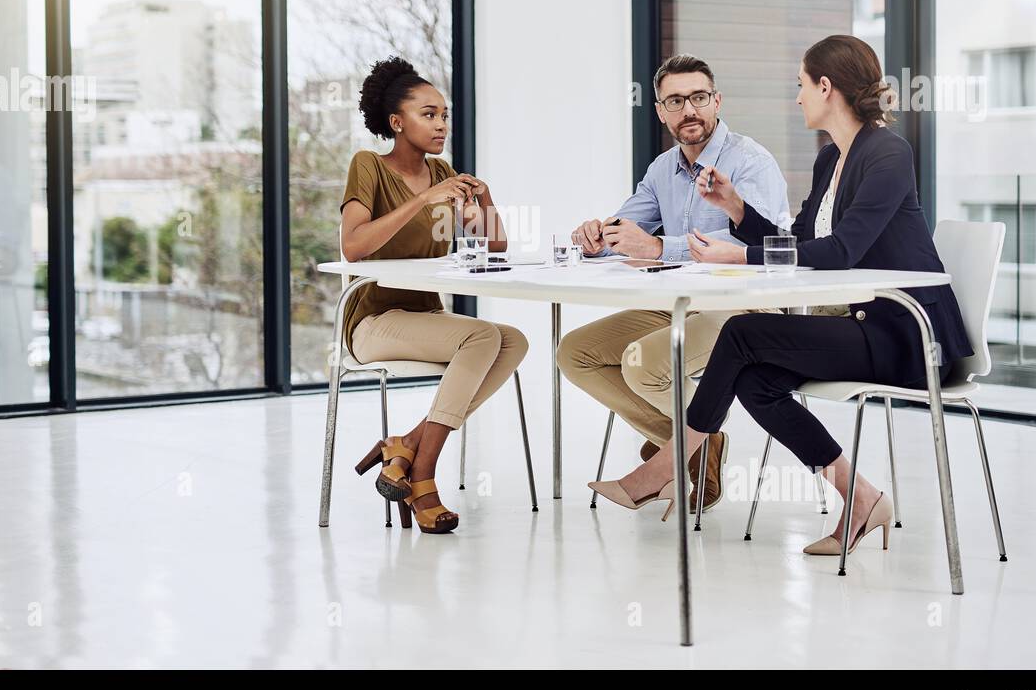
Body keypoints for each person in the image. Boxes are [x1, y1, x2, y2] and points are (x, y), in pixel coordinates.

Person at [591, 35, 973, 556]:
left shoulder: (888, 153)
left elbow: (840, 251)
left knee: (743, 331)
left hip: (907, 334)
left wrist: (738, 256)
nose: (797, 99)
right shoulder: (829, 160)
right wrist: (736, 210)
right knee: (755, 379)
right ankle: (861, 496)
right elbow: (798, 242)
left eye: (800, 86)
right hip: (863, 321)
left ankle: (664, 466)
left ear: (825, 86)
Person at [560, 54, 790, 514]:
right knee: (575, 353)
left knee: (644, 364)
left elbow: (759, 240)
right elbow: (629, 229)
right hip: (679, 303)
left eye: (699, 98)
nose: (690, 110)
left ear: (717, 100)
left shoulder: (750, 161)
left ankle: (675, 450)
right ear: (661, 111)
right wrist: (595, 239)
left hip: (745, 309)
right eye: (676, 101)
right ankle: (692, 444)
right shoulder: (663, 168)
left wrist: (659, 248)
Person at [342, 56, 527, 535]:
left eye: (444, 114)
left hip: (425, 320)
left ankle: (404, 445)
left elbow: (495, 244)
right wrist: (423, 200)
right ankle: (424, 475)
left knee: (514, 340)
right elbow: (354, 245)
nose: (441, 123)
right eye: (429, 114)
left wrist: (482, 199)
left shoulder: (443, 170)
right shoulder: (369, 166)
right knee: (485, 337)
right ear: (397, 122)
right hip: (373, 323)